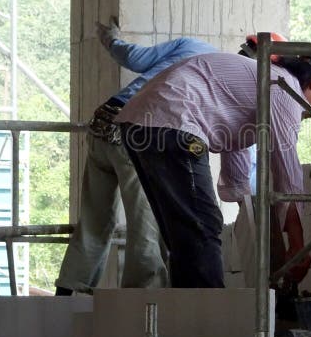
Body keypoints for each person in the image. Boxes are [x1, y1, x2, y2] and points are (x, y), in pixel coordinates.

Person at [116, 47, 311, 288]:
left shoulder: (254, 87)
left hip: (138, 124)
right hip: (173, 120)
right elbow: (287, 171)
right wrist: (297, 245)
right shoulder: (285, 88)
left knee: (183, 234)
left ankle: (187, 314)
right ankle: (208, 317)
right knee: (203, 227)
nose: (308, 116)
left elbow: (237, 175)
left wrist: (257, 221)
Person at [54, 18, 217, 295]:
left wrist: (111, 39)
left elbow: (135, 57)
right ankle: (142, 300)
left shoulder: (191, 45)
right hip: (136, 131)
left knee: (95, 217)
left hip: (104, 121)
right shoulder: (220, 77)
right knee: (146, 222)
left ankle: (68, 291)